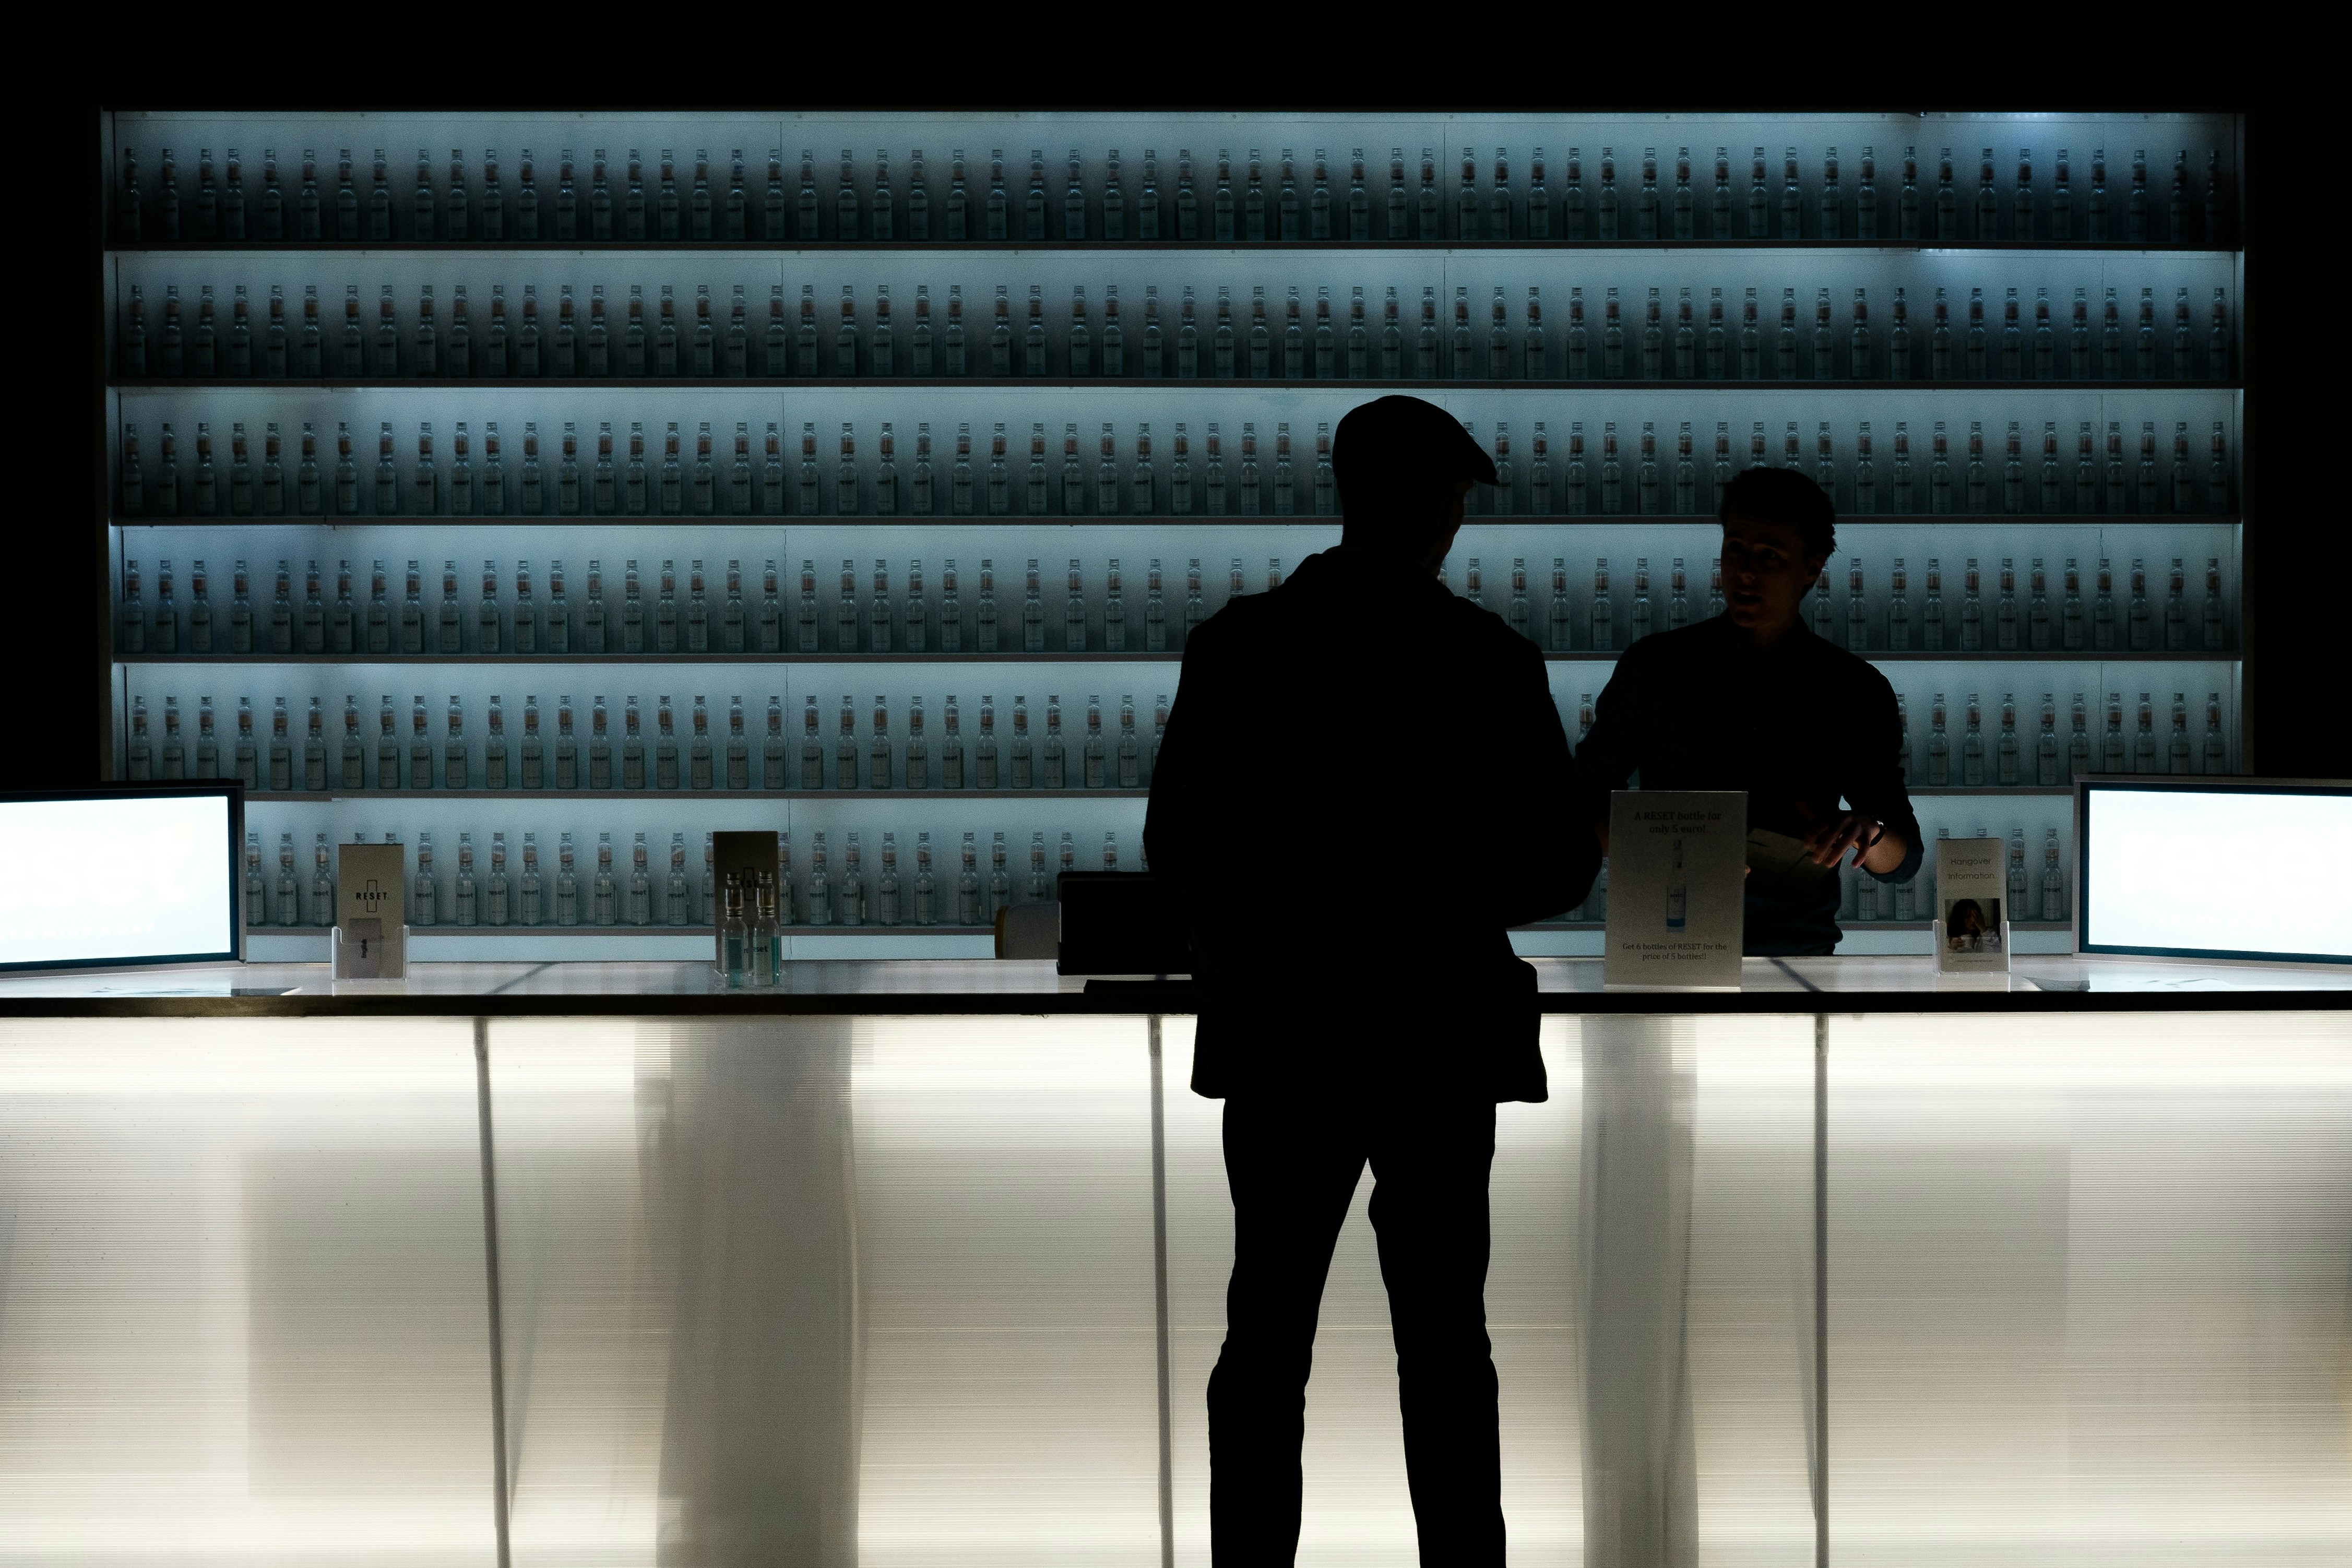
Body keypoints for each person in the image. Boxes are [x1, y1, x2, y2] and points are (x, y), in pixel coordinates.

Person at [1144, 394, 1599, 1565]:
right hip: (1438, 1038)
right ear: (1444, 508)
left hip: (1284, 1035)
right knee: (1447, 1343)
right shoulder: (1490, 659)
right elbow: (1553, 864)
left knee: (1266, 1337)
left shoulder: (1235, 645)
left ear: (1345, 494)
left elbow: (1174, 847)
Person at [1574, 467, 1923, 955]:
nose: (1745, 572)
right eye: (1735, 549)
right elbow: (1574, 808)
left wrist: (1871, 832)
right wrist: (1675, 842)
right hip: (1665, 948)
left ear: (1812, 568)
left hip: (1796, 955)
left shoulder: (1856, 691)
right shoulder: (1656, 668)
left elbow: (1903, 861)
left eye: (1770, 556)